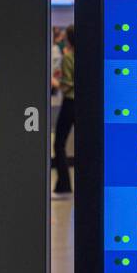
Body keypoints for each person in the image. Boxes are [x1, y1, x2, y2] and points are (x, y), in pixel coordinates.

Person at [52, 24, 76, 198]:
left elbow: (67, 85)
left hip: (70, 103)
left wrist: (55, 83)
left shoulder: (69, 58)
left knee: (59, 143)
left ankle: (64, 184)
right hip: (83, 105)